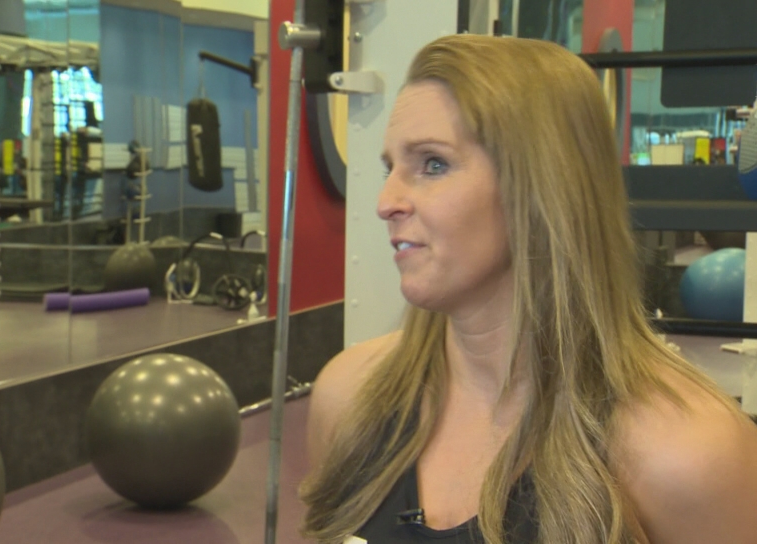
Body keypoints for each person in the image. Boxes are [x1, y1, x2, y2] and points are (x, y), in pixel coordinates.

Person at [300, 34, 757, 544]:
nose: (386, 201)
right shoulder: (350, 400)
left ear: (542, 186)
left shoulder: (691, 455)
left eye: (433, 164)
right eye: (391, 168)